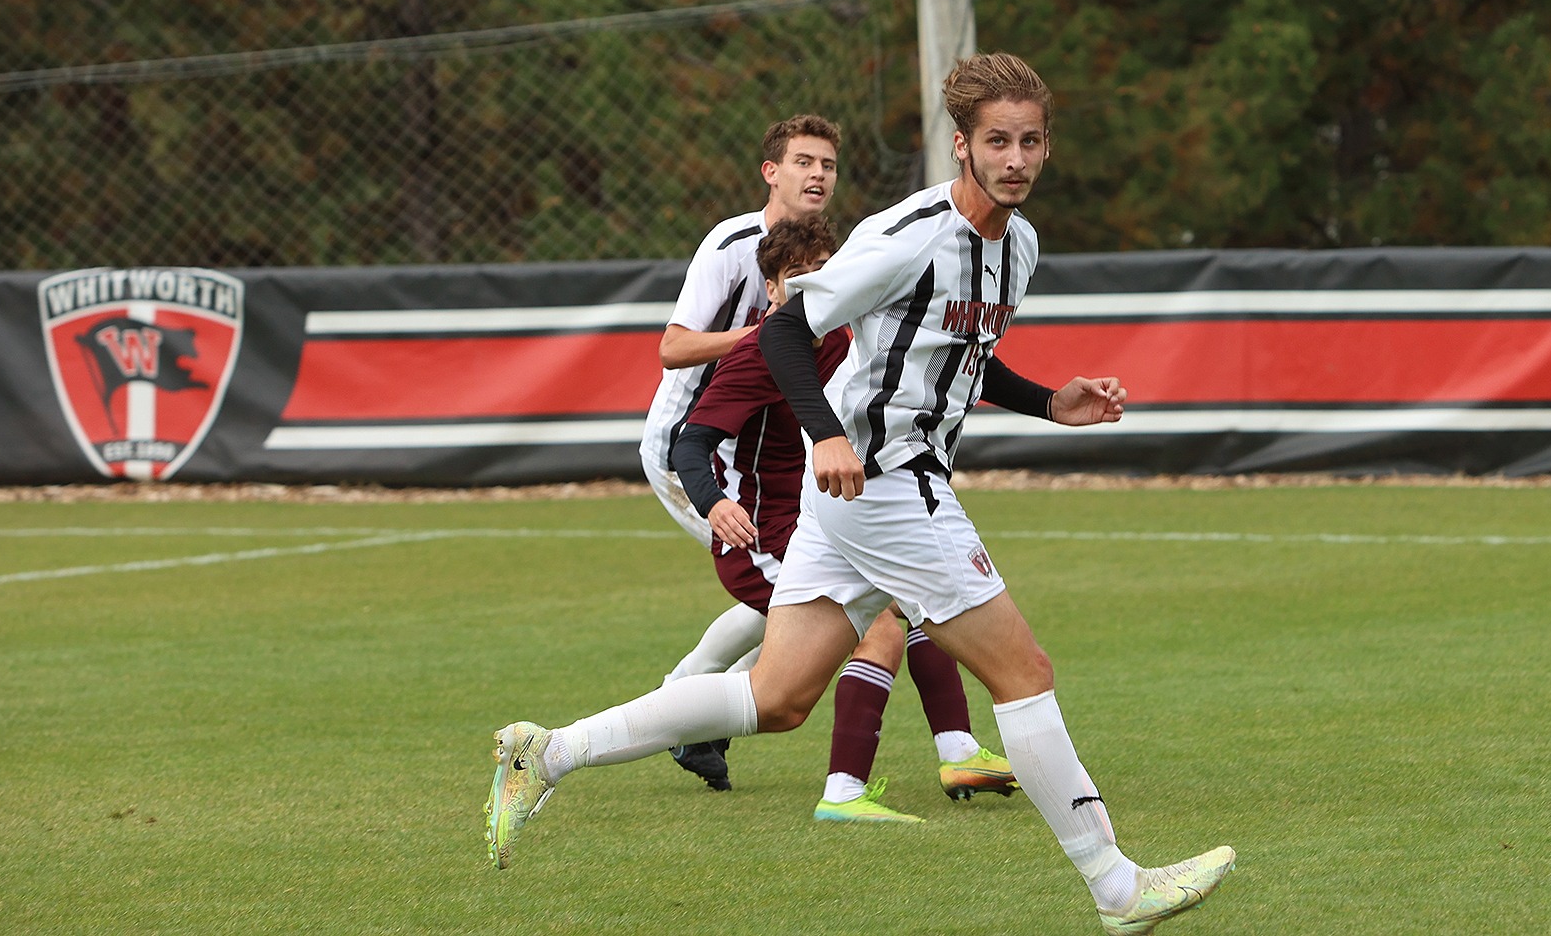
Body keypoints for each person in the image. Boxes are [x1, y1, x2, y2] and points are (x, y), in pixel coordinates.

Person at [487, 53, 1234, 934]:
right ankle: (1117, 888)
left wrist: (1047, 403)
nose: (1017, 158)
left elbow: (956, 352)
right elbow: (785, 336)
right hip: (884, 482)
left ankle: (550, 751)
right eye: (997, 141)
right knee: (1023, 672)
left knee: (776, 697)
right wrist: (830, 434)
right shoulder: (910, 232)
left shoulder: (1019, 246)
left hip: (865, 489)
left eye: (1031, 140)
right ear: (962, 146)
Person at [668, 216, 1017, 821]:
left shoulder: (849, 335)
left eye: (823, 274)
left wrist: (1047, 401)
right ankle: (842, 791)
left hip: (825, 516)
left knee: (905, 598)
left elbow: (958, 364)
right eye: (795, 278)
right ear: (772, 291)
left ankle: (956, 751)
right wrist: (715, 504)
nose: (812, 287)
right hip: (759, 531)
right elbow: (689, 442)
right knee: (877, 624)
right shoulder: (760, 350)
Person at [637, 114, 842, 791]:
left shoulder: (821, 256)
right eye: (803, 161)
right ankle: (685, 706)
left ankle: (689, 704)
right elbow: (672, 346)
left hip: (764, 457)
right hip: (694, 449)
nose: (817, 174)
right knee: (791, 587)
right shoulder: (732, 244)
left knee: (789, 583)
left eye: (828, 164)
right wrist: (768, 338)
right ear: (771, 172)